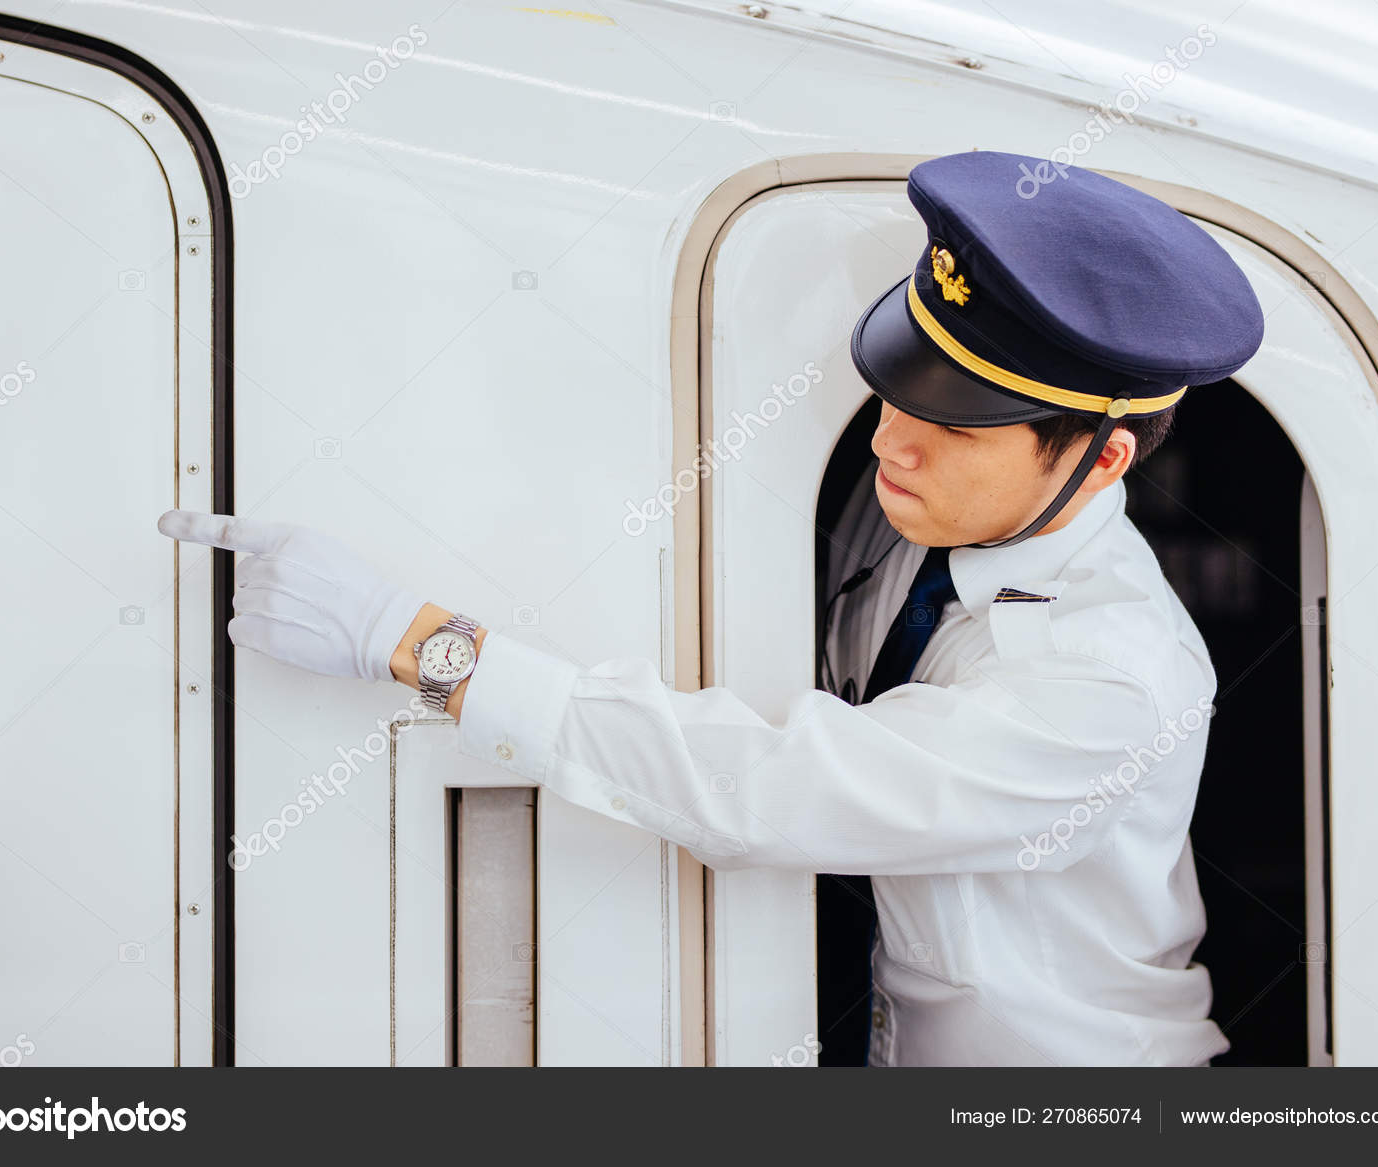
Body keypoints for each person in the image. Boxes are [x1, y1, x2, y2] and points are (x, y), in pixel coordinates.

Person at [158, 149, 1264, 1066]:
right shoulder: (920, 513)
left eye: (958, 427)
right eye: (895, 390)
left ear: (1102, 457)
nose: (890, 440)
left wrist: (416, 644)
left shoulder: (1109, 674)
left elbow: (768, 790)